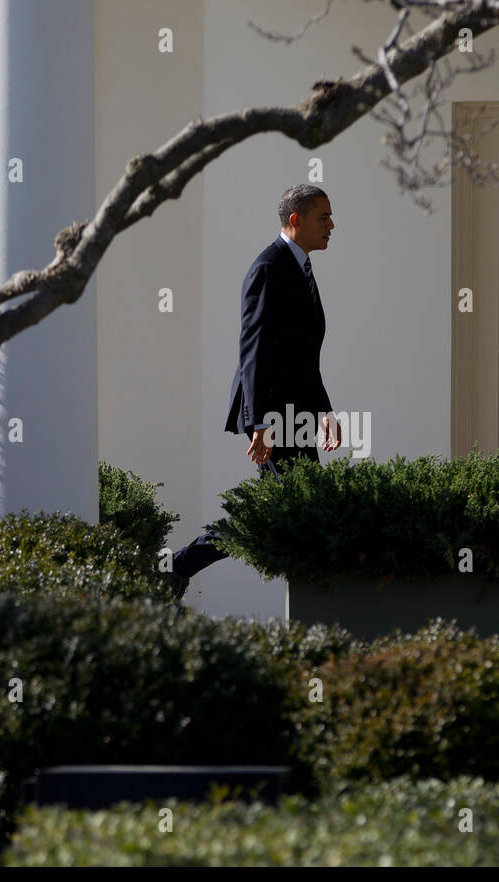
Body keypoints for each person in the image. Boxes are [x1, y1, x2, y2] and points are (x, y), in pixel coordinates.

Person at [168, 184, 342, 599]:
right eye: (324, 217)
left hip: (293, 414)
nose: (332, 226)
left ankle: (179, 565)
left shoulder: (301, 268)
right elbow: (254, 350)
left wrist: (325, 411)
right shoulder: (269, 268)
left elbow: (302, 357)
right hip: (273, 415)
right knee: (299, 506)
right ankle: (317, 602)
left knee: (277, 509)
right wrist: (260, 422)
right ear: (295, 220)